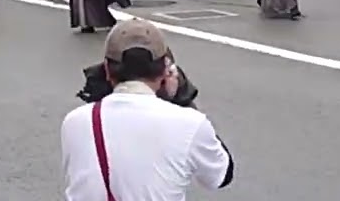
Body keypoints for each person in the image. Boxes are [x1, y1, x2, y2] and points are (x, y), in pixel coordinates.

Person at [61, 19, 234, 201]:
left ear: (106, 69)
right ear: (165, 70)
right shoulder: (189, 123)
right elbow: (221, 175)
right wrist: (181, 98)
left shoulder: (75, 122)